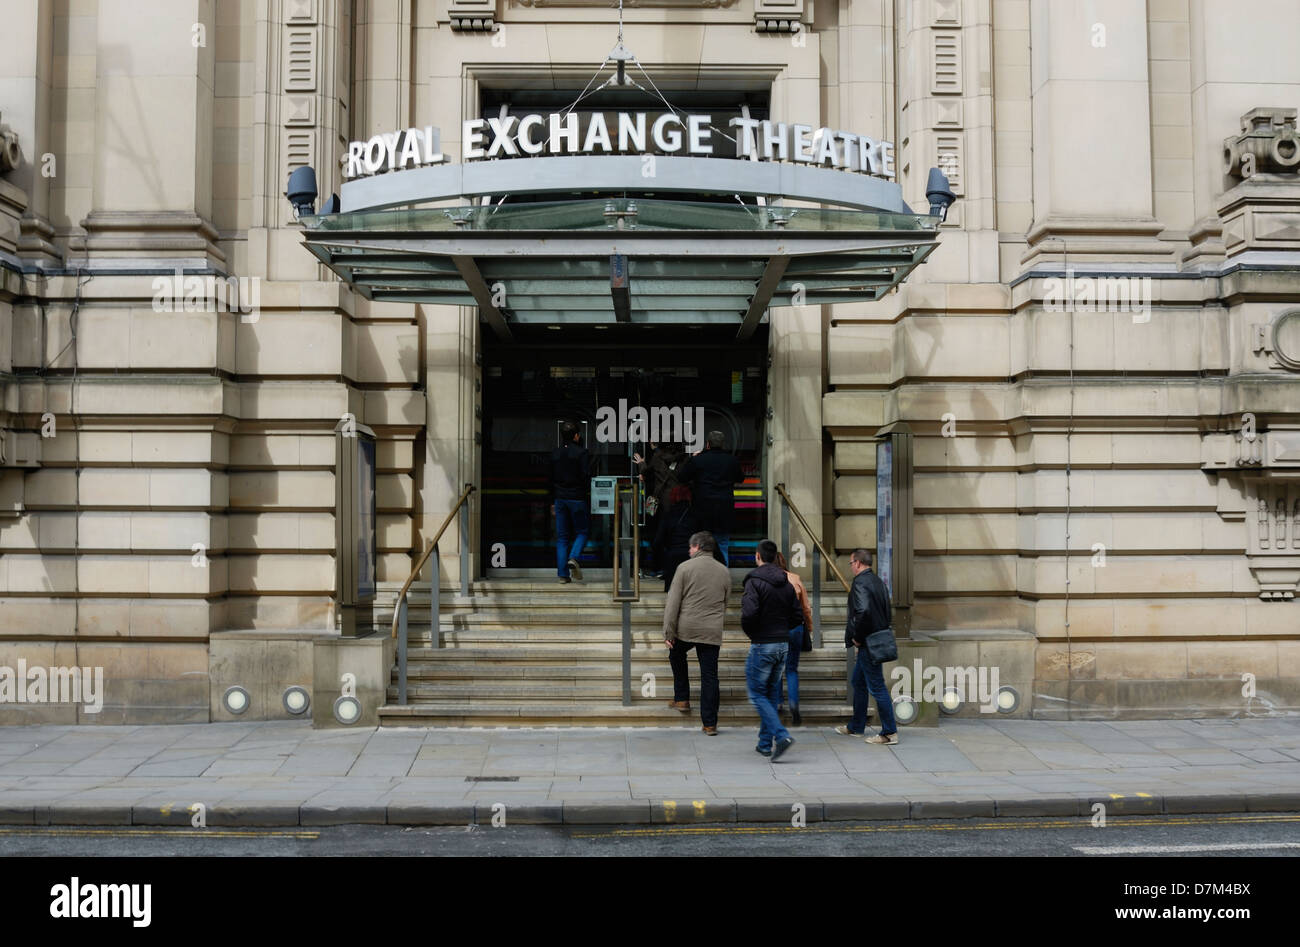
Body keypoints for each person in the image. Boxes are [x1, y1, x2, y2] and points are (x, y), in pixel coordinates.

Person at [662, 531, 731, 735]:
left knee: (676, 654)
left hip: (686, 627)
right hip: (711, 629)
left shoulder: (684, 568)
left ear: (698, 547)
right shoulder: (723, 570)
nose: (689, 551)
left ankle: (682, 698)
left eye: (691, 547)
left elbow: (673, 602)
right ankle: (710, 723)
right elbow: (726, 601)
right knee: (710, 676)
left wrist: (669, 632)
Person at [740, 539, 801, 761]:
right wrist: (782, 629)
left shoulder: (754, 582)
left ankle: (781, 735)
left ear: (757, 556)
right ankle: (765, 743)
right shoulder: (786, 583)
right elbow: (797, 616)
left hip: (762, 644)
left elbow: (748, 614)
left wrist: (754, 633)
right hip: (782, 644)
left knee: (757, 694)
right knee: (771, 693)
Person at [835, 548, 899, 745]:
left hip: (867, 642)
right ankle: (856, 726)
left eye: (851, 563)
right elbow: (887, 612)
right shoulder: (878, 582)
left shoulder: (861, 582)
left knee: (877, 686)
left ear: (858, 563)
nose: (851, 566)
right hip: (876, 639)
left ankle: (889, 732)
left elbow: (862, 612)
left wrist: (857, 637)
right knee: (858, 682)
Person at [676, 431, 745, 566]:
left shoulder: (698, 460)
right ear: (723, 444)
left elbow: (682, 478)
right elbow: (740, 478)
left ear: (707, 444)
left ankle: (701, 573)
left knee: (700, 544)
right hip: (724, 508)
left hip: (702, 508)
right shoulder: (731, 460)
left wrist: (692, 459)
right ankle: (722, 574)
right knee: (723, 544)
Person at [775, 550, 814, 727]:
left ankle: (777, 702)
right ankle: (793, 703)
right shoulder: (795, 578)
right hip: (796, 628)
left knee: (776, 667)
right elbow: (806, 607)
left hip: (776, 629)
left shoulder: (766, 580)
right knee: (791, 668)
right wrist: (810, 627)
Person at [550, 420, 591, 584]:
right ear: (576, 436)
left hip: (560, 498)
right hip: (577, 498)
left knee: (562, 537)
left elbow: (550, 478)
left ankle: (562, 574)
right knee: (582, 532)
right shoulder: (582, 453)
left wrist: (551, 501)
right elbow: (585, 476)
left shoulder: (555, 453)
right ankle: (573, 557)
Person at [633, 442, 682, 577]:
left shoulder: (657, 457)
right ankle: (671, 568)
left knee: (656, 536)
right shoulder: (683, 458)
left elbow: (646, 473)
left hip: (659, 503)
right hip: (677, 502)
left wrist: (642, 463)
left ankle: (659, 568)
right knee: (673, 537)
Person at [653, 484, 699, 591]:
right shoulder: (696, 515)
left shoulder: (668, 515)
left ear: (673, 497)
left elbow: (657, 542)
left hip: (672, 559)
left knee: (673, 592)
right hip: (692, 558)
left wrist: (657, 565)